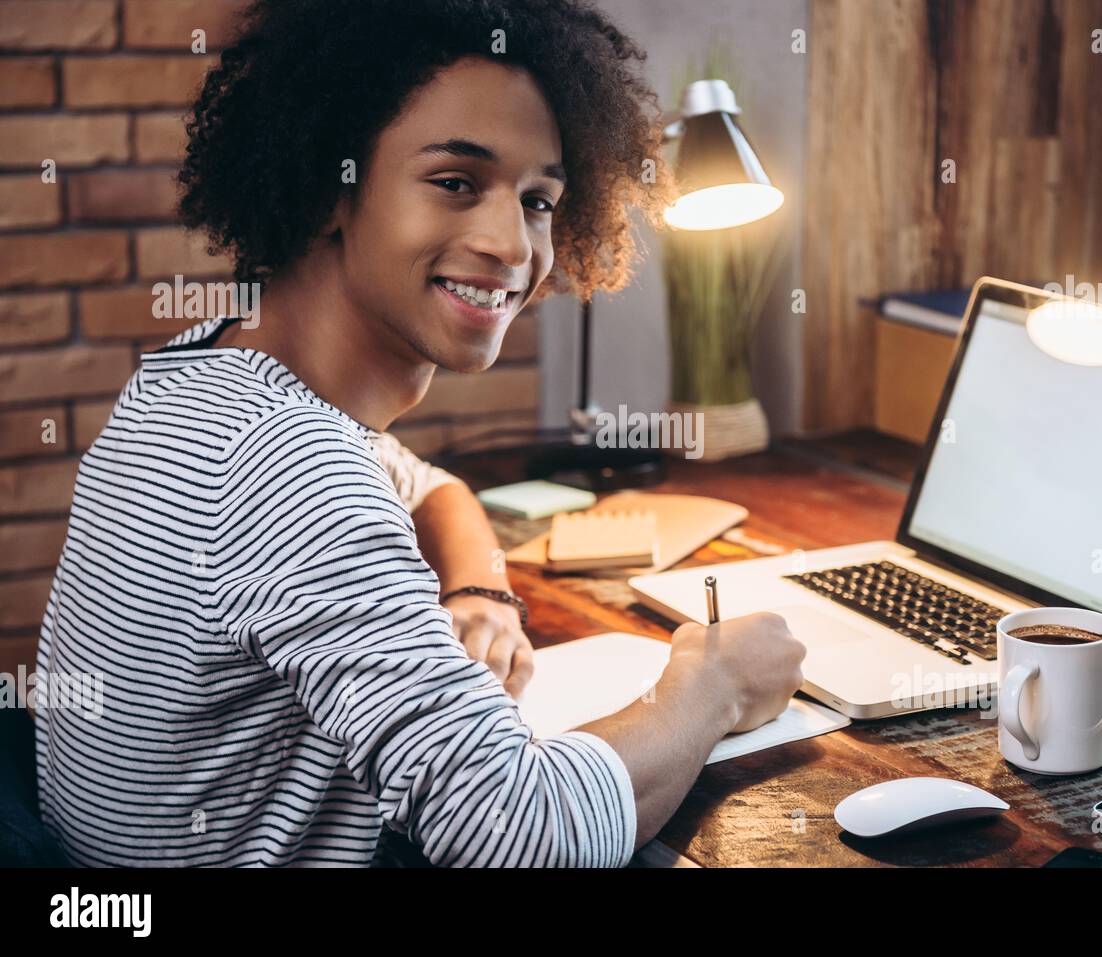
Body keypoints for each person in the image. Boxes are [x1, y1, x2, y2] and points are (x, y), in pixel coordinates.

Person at [34, 0, 804, 867]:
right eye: (455, 182)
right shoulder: (283, 467)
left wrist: (480, 592)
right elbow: (517, 831)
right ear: (332, 187)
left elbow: (432, 487)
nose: (513, 243)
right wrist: (711, 684)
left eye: (540, 199)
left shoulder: (200, 372)